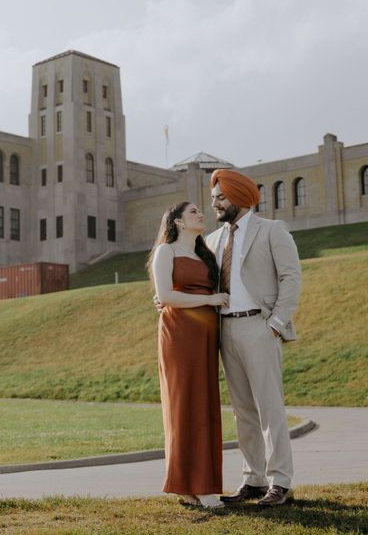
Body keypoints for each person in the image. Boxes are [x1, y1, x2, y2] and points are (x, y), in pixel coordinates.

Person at [208, 169, 302, 507]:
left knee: (269, 407)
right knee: (242, 410)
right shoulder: (212, 240)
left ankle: (280, 481)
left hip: (259, 326)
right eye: (213, 198)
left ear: (239, 198)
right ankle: (254, 479)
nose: (214, 204)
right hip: (225, 330)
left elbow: (291, 277)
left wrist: (275, 323)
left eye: (221, 197)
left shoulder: (272, 230)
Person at [149, 201, 230, 509]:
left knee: (205, 404)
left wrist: (211, 300)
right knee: (184, 405)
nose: (201, 214)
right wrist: (210, 299)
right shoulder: (166, 251)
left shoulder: (206, 253)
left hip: (206, 336)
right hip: (179, 335)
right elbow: (166, 295)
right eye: (193, 211)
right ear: (178, 222)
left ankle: (199, 484)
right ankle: (189, 483)